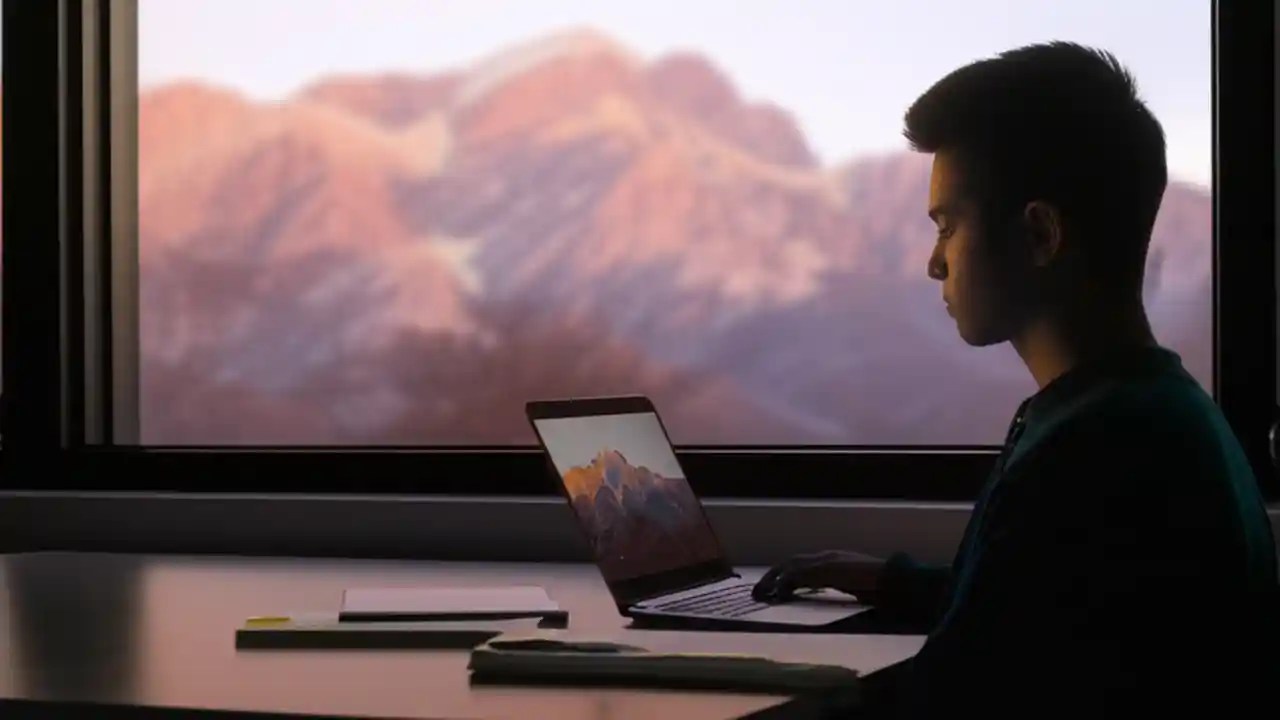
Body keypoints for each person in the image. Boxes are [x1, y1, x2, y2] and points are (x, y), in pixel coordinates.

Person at [752, 42, 1278, 717]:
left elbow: (952, 695)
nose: (935, 263)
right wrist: (895, 582)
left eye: (947, 226)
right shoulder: (1155, 412)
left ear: (1039, 235)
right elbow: (1052, 609)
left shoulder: (1088, 455)